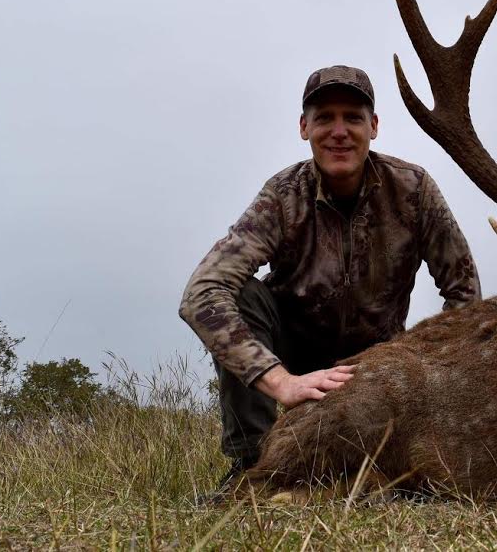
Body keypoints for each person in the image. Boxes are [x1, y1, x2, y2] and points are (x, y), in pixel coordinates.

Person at [179, 64, 480, 488]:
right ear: (304, 127)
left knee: (401, 474)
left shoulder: (414, 190)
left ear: (374, 127)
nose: (339, 131)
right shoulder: (282, 197)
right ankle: (252, 461)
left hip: (377, 365)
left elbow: (464, 294)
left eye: (353, 118)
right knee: (242, 296)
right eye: (324, 118)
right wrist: (281, 381)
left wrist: (432, 373)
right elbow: (202, 293)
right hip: (292, 359)